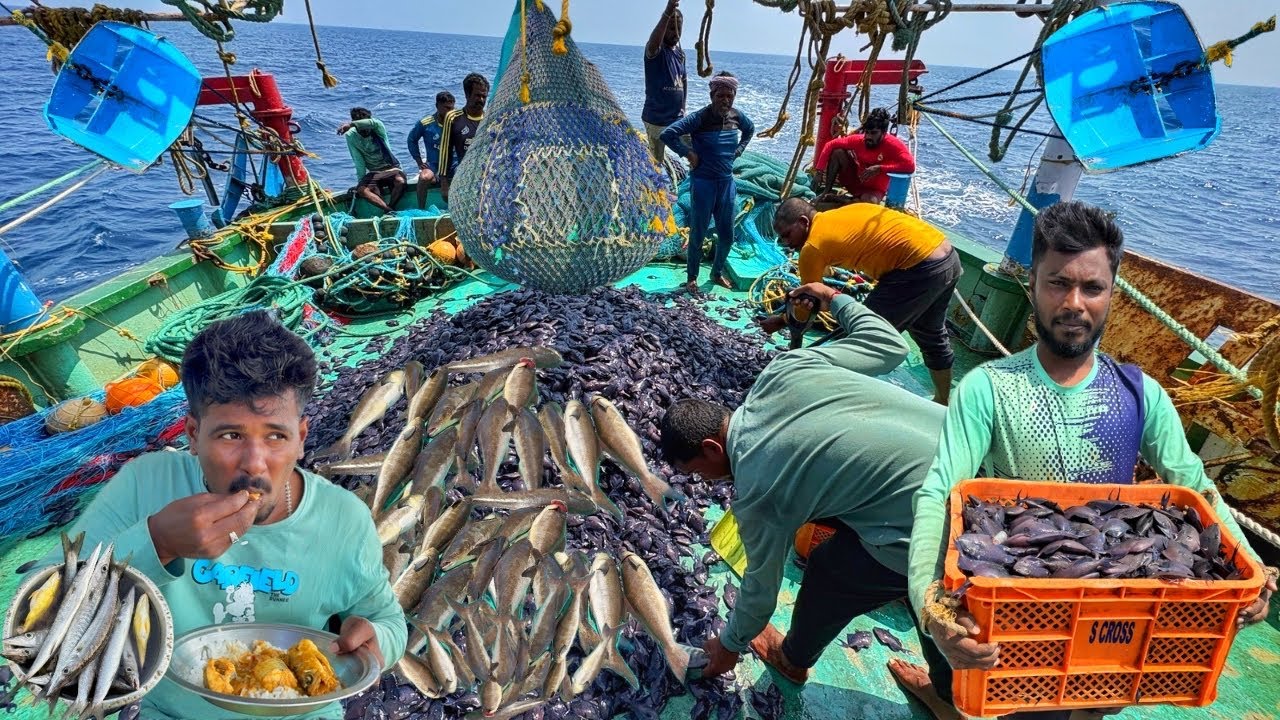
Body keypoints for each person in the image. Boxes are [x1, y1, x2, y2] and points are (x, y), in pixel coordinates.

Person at [899, 201, 1277, 720]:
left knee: (1093, 707)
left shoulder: (1142, 393)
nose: (1073, 302)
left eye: (1092, 287)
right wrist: (930, 603)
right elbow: (941, 489)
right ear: (1031, 284)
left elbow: (1194, 485)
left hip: (1115, 616)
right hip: (1023, 611)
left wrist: (1252, 570)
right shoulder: (987, 388)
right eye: (1057, 283)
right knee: (1007, 706)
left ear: (1111, 294)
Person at [38, 310, 407, 720]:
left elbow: (386, 618)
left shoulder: (345, 520)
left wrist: (379, 641)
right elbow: (45, 614)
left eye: (275, 436)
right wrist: (156, 542)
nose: (255, 463)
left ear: (301, 438)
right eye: (231, 435)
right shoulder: (146, 485)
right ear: (193, 434)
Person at [659, 281, 945, 684]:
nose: (701, 482)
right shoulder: (786, 368)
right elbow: (891, 346)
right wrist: (832, 297)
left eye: (695, 472)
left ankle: (794, 659)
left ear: (710, 449)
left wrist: (727, 647)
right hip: (985, 462)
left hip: (951, 525)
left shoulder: (759, 494)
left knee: (831, 570)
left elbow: (760, 592)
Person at [761, 197, 961, 403]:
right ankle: (942, 400)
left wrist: (782, 322)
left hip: (917, 268)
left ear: (803, 222)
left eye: (787, 235)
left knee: (857, 338)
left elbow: (807, 304)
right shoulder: (840, 214)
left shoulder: (812, 248)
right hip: (947, 257)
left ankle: (821, 401)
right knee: (931, 333)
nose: (786, 243)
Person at [660, 71, 755, 294]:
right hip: (703, 184)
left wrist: (739, 150)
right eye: (720, 95)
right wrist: (688, 153)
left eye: (729, 96)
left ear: (734, 95)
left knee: (727, 234)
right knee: (698, 232)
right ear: (712, 95)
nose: (725, 100)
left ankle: (716, 272)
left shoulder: (737, 117)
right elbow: (668, 134)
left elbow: (750, 130)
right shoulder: (700, 117)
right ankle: (692, 277)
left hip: (726, 184)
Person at [815, 108, 915, 205]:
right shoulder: (859, 140)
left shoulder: (894, 145)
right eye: (867, 132)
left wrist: (880, 168)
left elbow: (910, 166)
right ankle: (826, 192)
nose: (868, 137)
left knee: (869, 202)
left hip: (875, 190)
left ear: (884, 133)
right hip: (856, 183)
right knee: (838, 152)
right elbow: (830, 144)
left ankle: (842, 200)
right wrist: (819, 171)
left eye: (874, 133)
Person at [643, 0, 687, 165]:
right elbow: (654, 41)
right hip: (655, 120)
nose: (676, 33)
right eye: (671, 28)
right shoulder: (655, 51)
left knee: (695, 150)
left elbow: (683, 81)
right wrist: (668, 12)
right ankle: (654, 188)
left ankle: (697, 186)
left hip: (676, 119)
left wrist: (684, 106)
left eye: (679, 28)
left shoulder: (680, 54)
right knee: (655, 163)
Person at [339, 107, 407, 213]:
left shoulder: (377, 127)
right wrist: (360, 181)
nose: (365, 131)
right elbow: (358, 160)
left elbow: (374, 122)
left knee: (400, 181)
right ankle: (388, 210)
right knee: (362, 190)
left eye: (366, 128)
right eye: (362, 129)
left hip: (391, 168)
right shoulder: (350, 136)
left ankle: (390, 206)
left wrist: (351, 124)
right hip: (374, 172)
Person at [439, 73, 489, 204]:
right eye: (477, 95)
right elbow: (445, 151)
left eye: (484, 96)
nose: (481, 100)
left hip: (486, 174)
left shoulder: (490, 118)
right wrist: (444, 182)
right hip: (464, 172)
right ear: (467, 95)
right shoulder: (453, 117)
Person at [406, 91, 456, 210]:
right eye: (447, 108)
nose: (450, 112)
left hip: (454, 163)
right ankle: (421, 209)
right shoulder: (426, 123)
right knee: (424, 178)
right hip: (434, 164)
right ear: (437, 106)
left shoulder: (458, 121)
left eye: (452, 108)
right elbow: (411, 139)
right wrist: (419, 161)